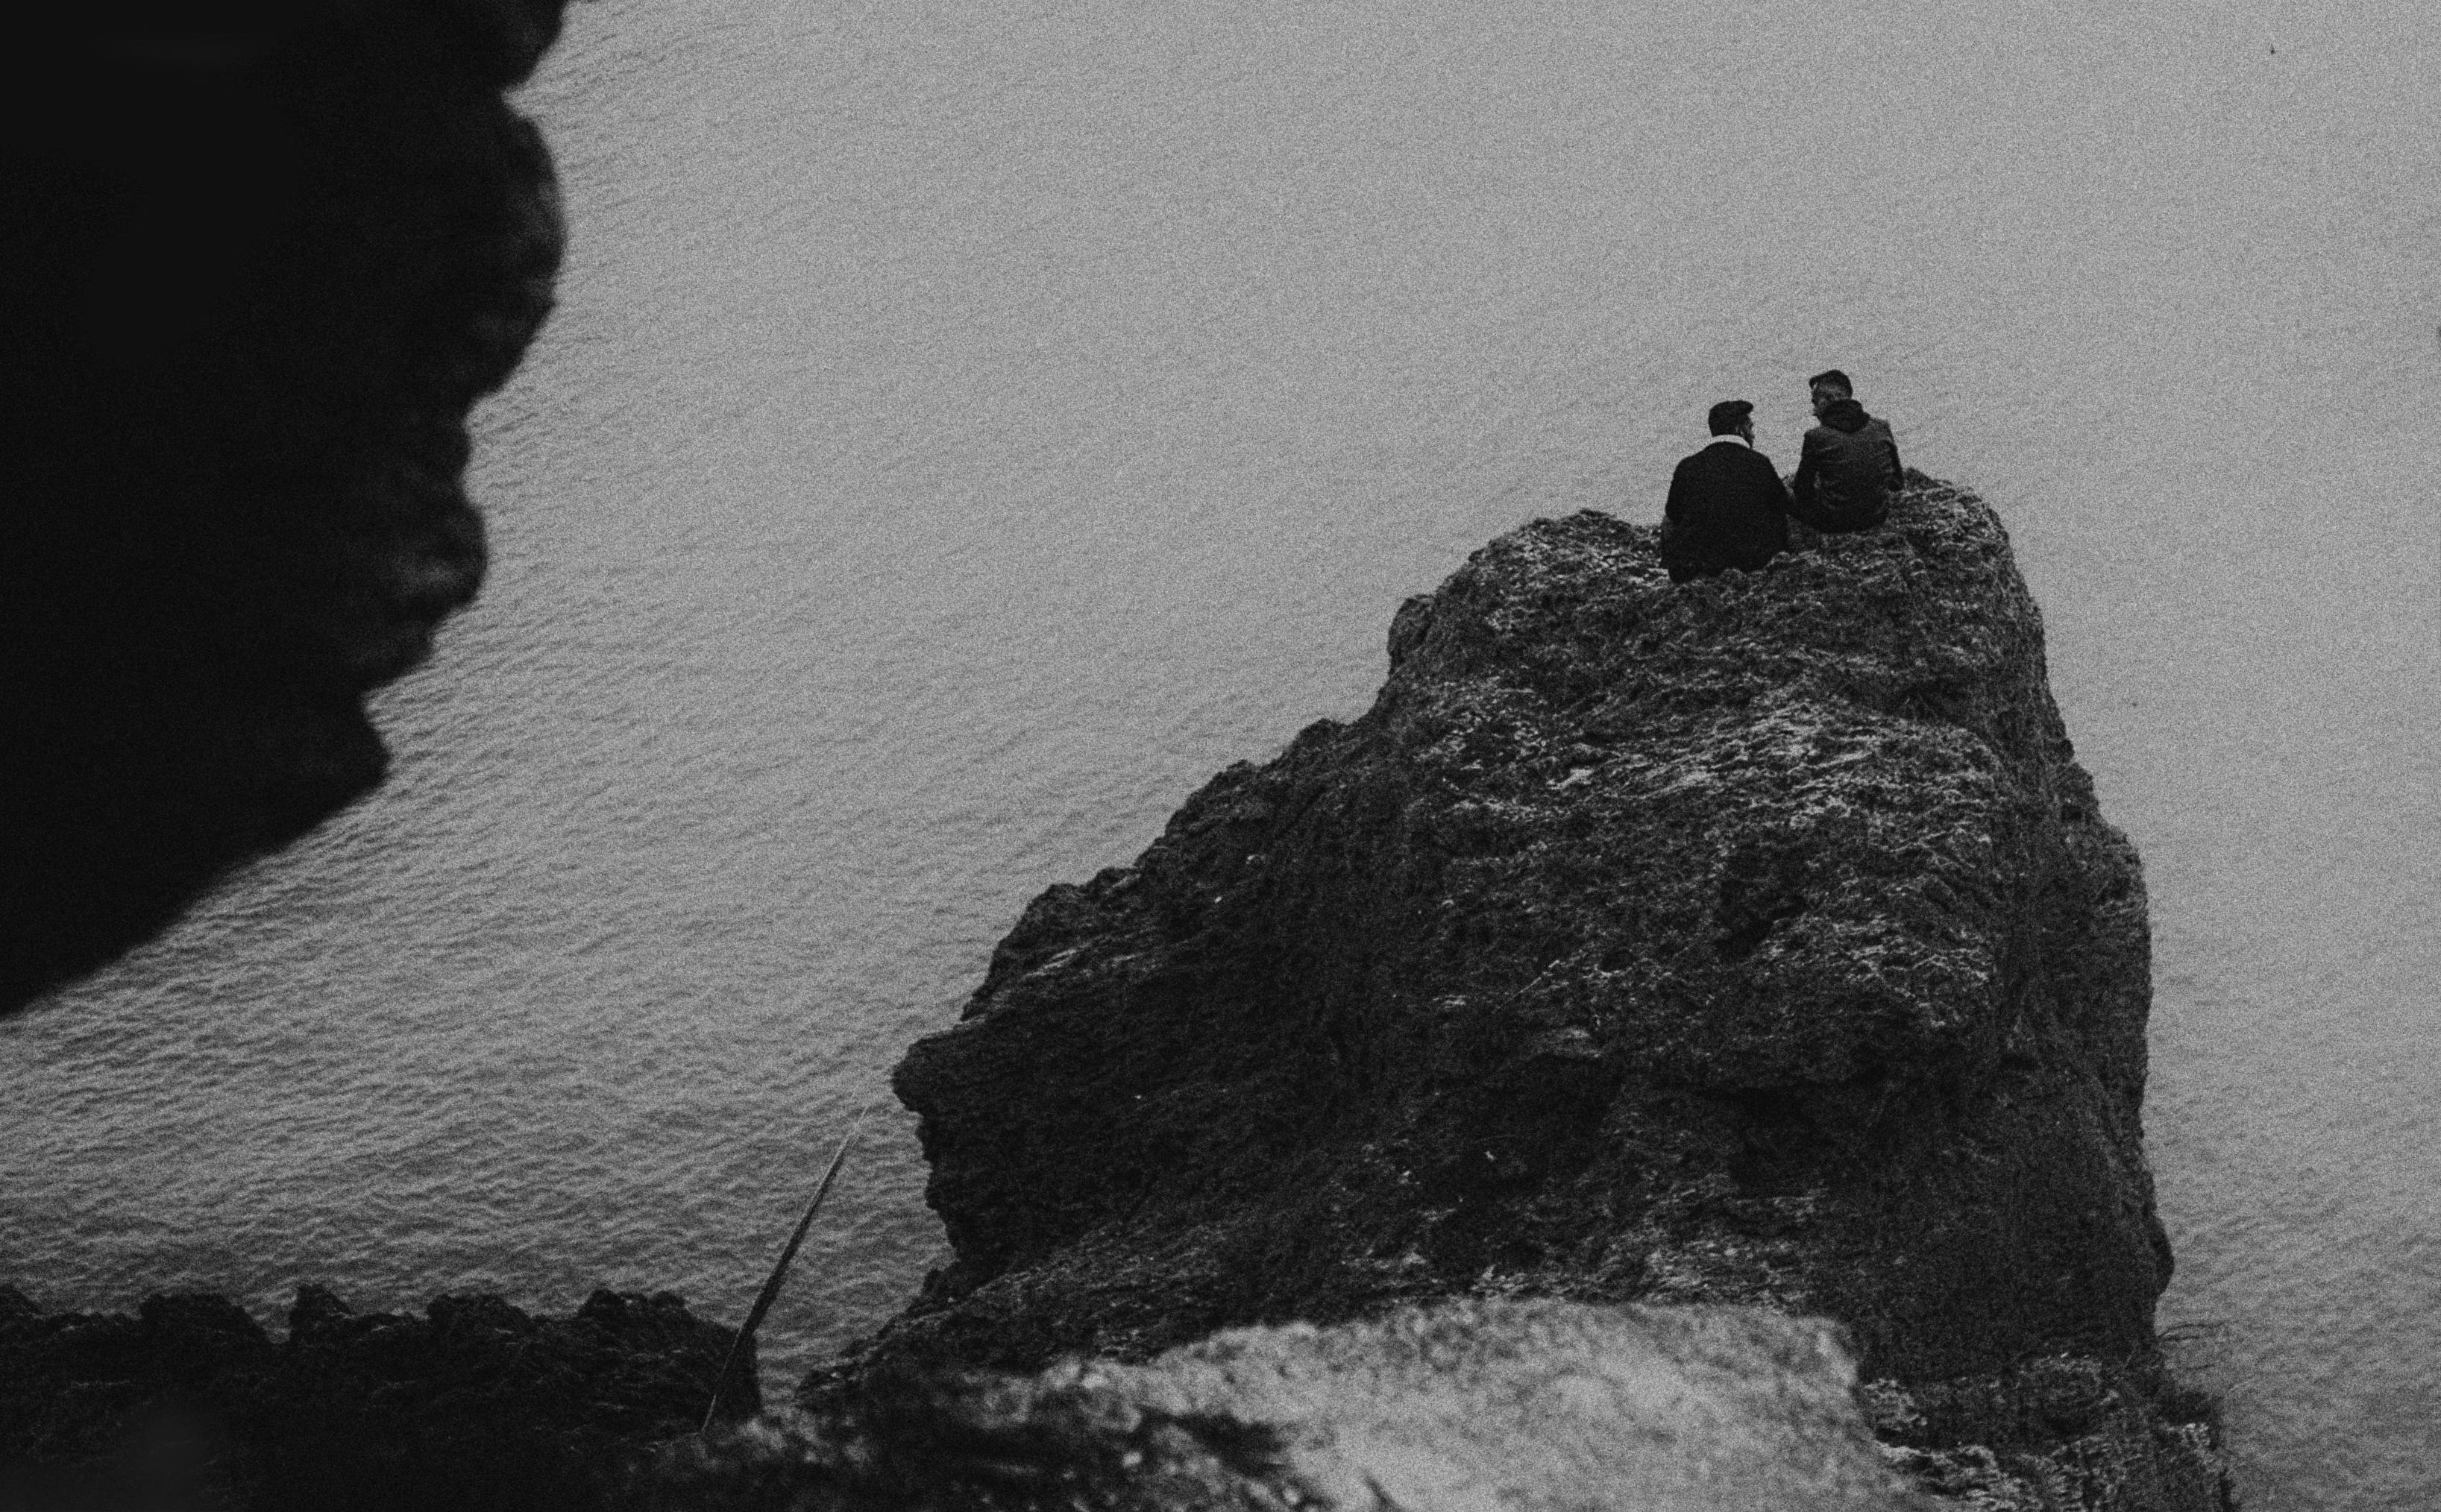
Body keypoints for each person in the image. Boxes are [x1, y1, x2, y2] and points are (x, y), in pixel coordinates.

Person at [1660, 399, 1795, 584]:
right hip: (1751, 562)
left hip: (1699, 563)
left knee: (1667, 519)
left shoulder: (1687, 466)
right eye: (1750, 427)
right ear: (1740, 430)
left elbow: (1673, 515)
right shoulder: (1759, 463)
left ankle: (1676, 576)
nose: (1753, 434)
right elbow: (1784, 504)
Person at [1789, 369, 1904, 532]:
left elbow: (1802, 490)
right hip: (1877, 516)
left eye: (1815, 403)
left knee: (1779, 493)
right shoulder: (1881, 427)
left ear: (1829, 400)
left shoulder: (1816, 437)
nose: (1813, 412)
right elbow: (1897, 483)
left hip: (1835, 522)